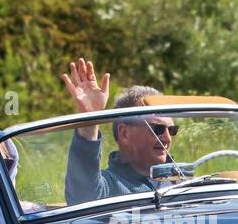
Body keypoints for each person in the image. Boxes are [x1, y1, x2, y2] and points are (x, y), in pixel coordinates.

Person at [60, 58, 177, 204]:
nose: (167, 138)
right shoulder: (110, 187)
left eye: (172, 129)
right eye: (157, 129)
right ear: (125, 133)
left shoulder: (184, 181)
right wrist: (90, 121)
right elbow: (83, 195)